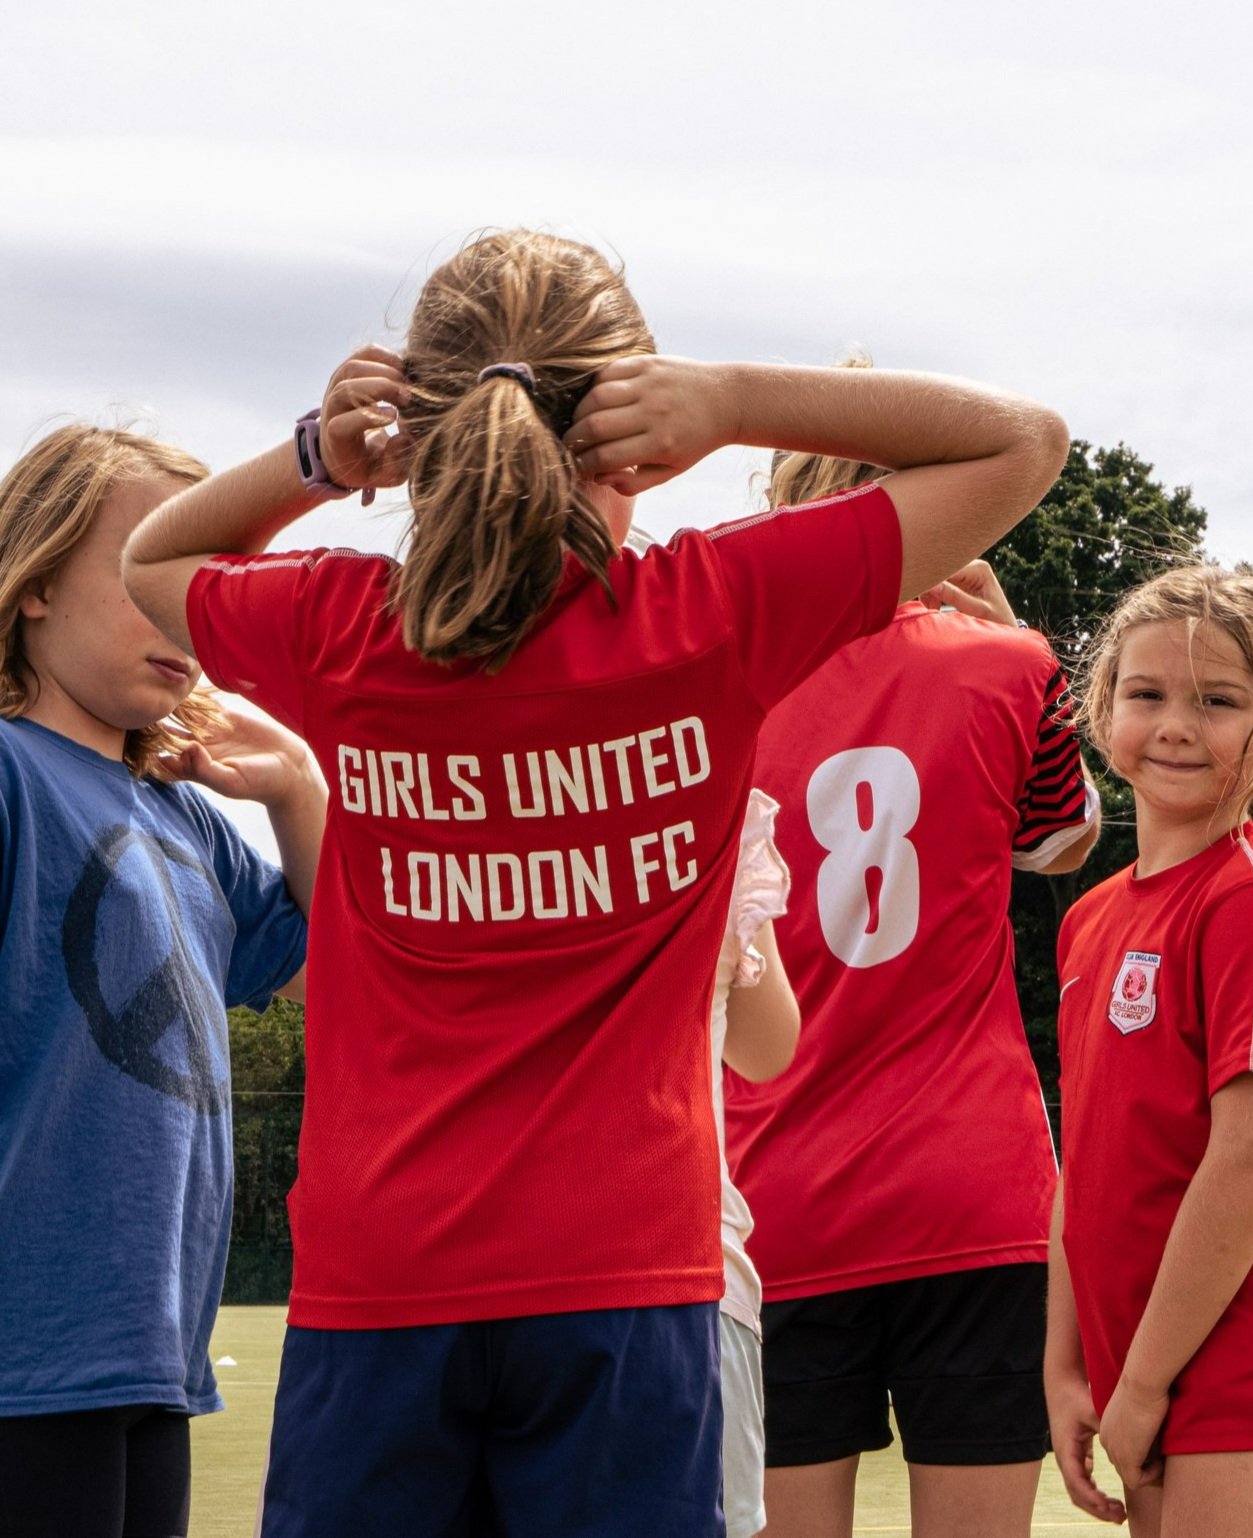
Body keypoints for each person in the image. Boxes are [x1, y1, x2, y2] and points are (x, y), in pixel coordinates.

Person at [119, 229, 1071, 1538]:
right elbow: (1021, 440)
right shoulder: (710, 611)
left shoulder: (344, 630)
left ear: (422, 437)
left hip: (382, 1264)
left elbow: (152, 562)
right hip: (628, 1269)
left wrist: (314, 459)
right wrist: (730, 399)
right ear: (633, 438)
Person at [723, 429, 1099, 1538]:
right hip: (974, 1188)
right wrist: (1009, 634)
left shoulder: (718, 682)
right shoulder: (1011, 663)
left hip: (778, 1189)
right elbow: (1065, 840)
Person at [0, 426, 316, 1538]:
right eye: (147, 575)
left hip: (152, 1351)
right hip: (24, 1361)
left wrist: (298, 786)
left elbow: (345, 979)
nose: (185, 619)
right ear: (35, 585)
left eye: (202, 586)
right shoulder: (9, 771)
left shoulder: (187, 816)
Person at [1047, 564, 1253, 1538]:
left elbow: (1247, 1161)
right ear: (1102, 709)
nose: (1176, 725)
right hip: (1145, 1362)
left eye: (1217, 701)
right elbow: (1084, 1157)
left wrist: (1142, 1383)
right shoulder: (1090, 917)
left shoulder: (1250, 900)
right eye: (1146, 693)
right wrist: (1066, 1366)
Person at [712, 788, 800, 1538]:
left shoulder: (395, 777)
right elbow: (767, 1046)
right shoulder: (710, 793)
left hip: (429, 1272)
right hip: (674, 1275)